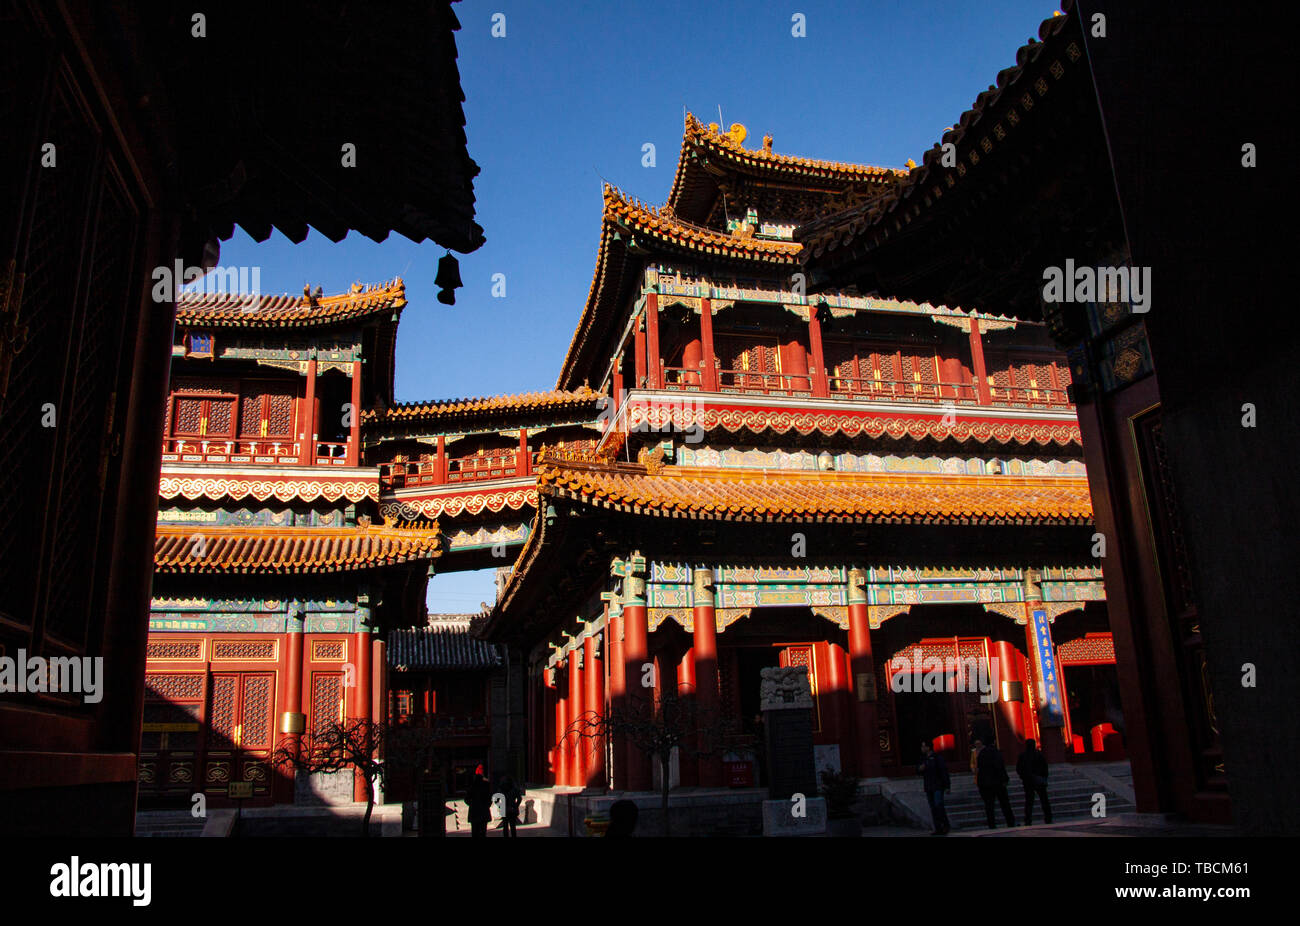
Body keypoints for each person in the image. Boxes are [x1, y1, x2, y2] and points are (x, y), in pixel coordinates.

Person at [972, 737, 1017, 828]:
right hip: (997, 782)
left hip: (985, 783)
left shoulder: (981, 754)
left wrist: (980, 783)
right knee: (1004, 803)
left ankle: (991, 824)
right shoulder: (996, 753)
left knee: (989, 805)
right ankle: (1010, 821)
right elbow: (1000, 767)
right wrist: (1005, 779)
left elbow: (980, 769)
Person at [1015, 739, 1053, 825]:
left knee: (1029, 801)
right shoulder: (1039, 755)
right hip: (1039, 780)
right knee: (1044, 800)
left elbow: (1018, 769)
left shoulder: (1023, 756)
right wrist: (1044, 777)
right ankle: (1048, 817)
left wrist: (1023, 777)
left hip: (1028, 781)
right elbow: (1045, 767)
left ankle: (1028, 819)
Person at [917, 740, 951, 835]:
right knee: (933, 807)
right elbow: (918, 770)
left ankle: (945, 825)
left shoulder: (937, 758)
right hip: (928, 786)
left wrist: (947, 786)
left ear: (928, 747)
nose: (922, 748)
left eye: (923, 746)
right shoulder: (923, 759)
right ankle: (938, 828)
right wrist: (920, 768)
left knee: (938, 806)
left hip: (938, 786)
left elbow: (943, 772)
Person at [466, 765, 493, 838]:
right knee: (483, 832)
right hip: (484, 812)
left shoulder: (472, 786)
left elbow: (466, 799)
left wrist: (472, 804)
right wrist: (487, 805)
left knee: (475, 832)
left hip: (474, 812)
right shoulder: (486, 785)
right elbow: (490, 797)